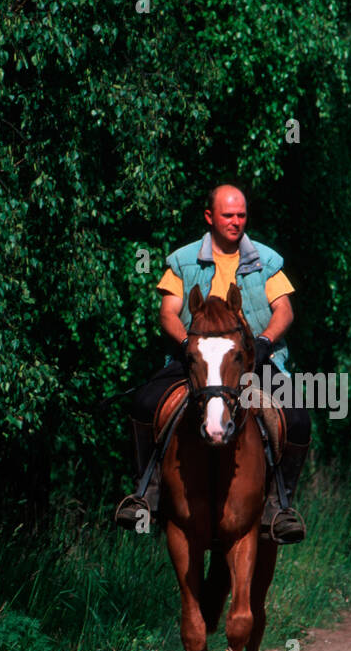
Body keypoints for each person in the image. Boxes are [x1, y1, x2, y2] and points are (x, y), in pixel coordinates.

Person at [113, 184, 311, 544]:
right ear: (210, 217)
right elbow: (168, 312)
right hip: (198, 360)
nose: (236, 222)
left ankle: (279, 506)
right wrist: (189, 343)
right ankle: (146, 493)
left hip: (254, 358)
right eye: (228, 215)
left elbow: (285, 309)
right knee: (143, 403)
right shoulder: (182, 260)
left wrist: (264, 341)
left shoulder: (267, 260)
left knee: (298, 417)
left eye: (241, 215)